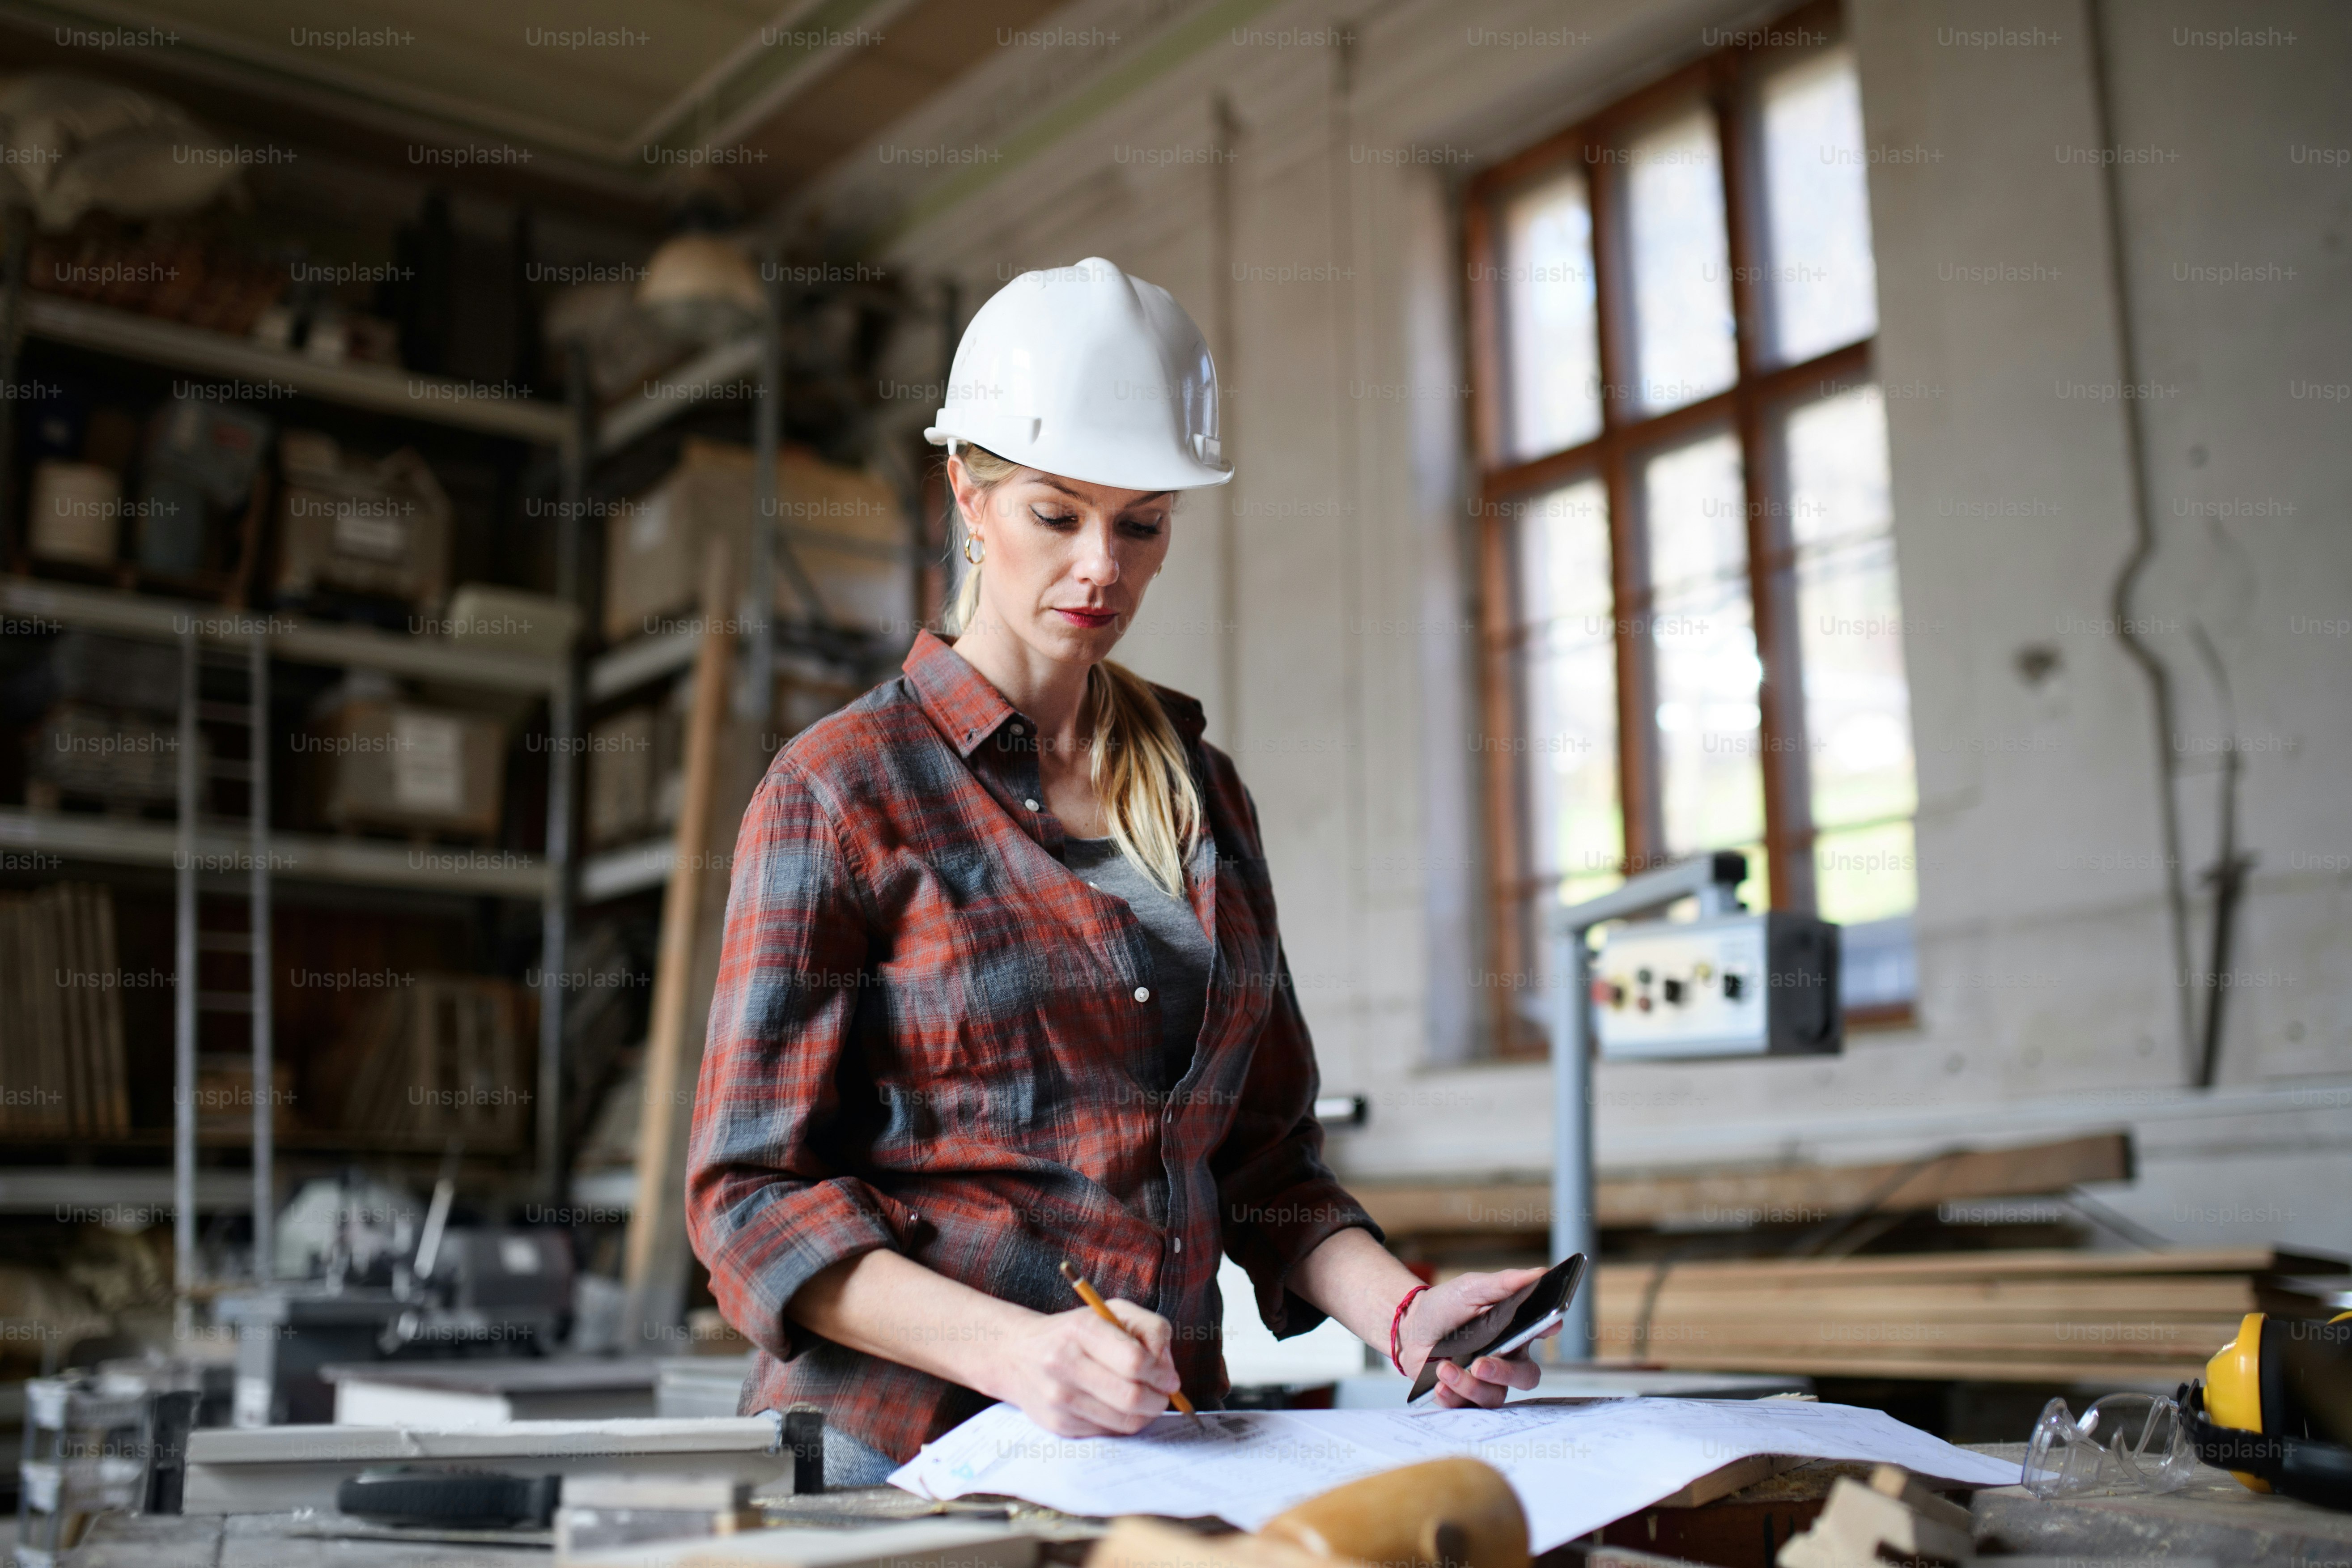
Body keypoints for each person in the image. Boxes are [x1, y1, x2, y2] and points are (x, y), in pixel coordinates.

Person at [687, 257, 1555, 1487]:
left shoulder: (1202, 793)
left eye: (1140, 523)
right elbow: (747, 1199)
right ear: (967, 496)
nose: (1101, 565)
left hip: (1153, 1453)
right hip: (899, 1460)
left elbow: (1262, 1162)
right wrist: (1018, 1351)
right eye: (1056, 513)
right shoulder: (837, 793)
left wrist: (1405, 1316)